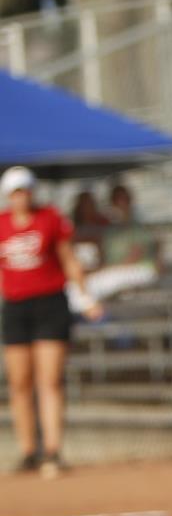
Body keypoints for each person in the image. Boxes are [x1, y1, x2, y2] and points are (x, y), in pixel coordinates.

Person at [1, 166, 102, 477]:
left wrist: (86, 298)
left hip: (50, 303)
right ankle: (29, 451)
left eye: (25, 191)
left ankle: (53, 450)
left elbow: (68, 258)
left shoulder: (50, 218)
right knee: (19, 382)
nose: (22, 197)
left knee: (50, 379)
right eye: (15, 192)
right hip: (16, 306)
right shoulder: (2, 224)